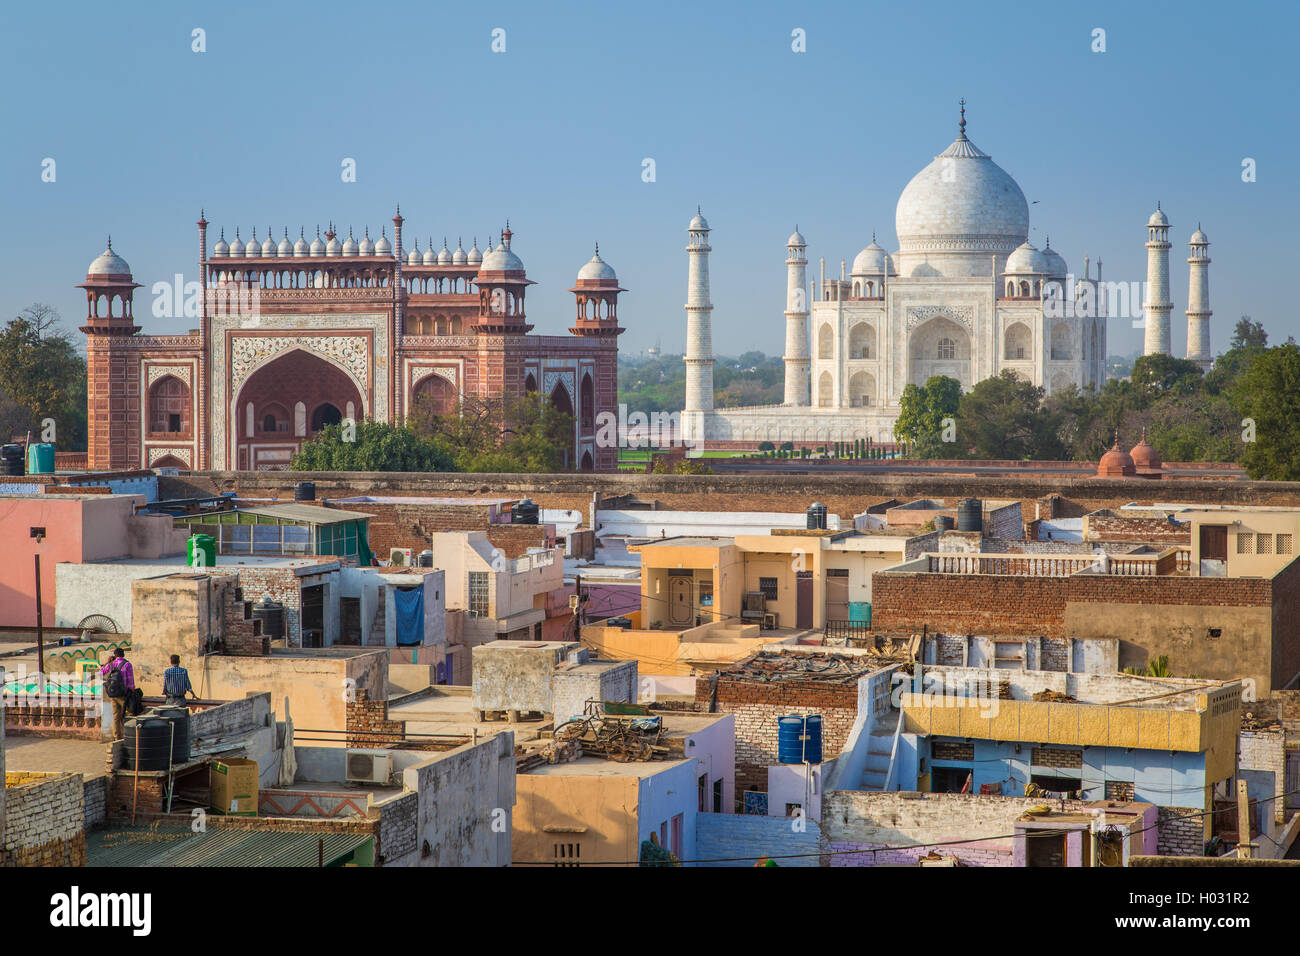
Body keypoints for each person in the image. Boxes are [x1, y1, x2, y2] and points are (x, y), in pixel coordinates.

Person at [99, 648, 135, 740]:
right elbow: (130, 681)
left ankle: (117, 736)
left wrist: (107, 663)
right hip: (123, 694)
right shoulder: (127, 664)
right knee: (128, 713)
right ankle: (128, 735)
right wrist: (132, 690)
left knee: (116, 716)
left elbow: (100, 673)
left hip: (113, 694)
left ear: (115, 655)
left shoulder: (111, 664)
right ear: (123, 655)